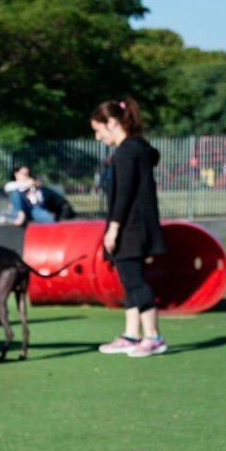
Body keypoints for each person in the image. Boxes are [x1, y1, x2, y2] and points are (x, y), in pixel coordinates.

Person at [91, 97, 168, 357]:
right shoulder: (137, 148)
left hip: (130, 227)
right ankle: (132, 335)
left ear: (112, 123)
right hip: (137, 225)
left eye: (98, 130)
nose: (98, 137)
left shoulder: (126, 151)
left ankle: (153, 337)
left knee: (135, 281)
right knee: (129, 279)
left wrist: (113, 228)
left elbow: (124, 194)